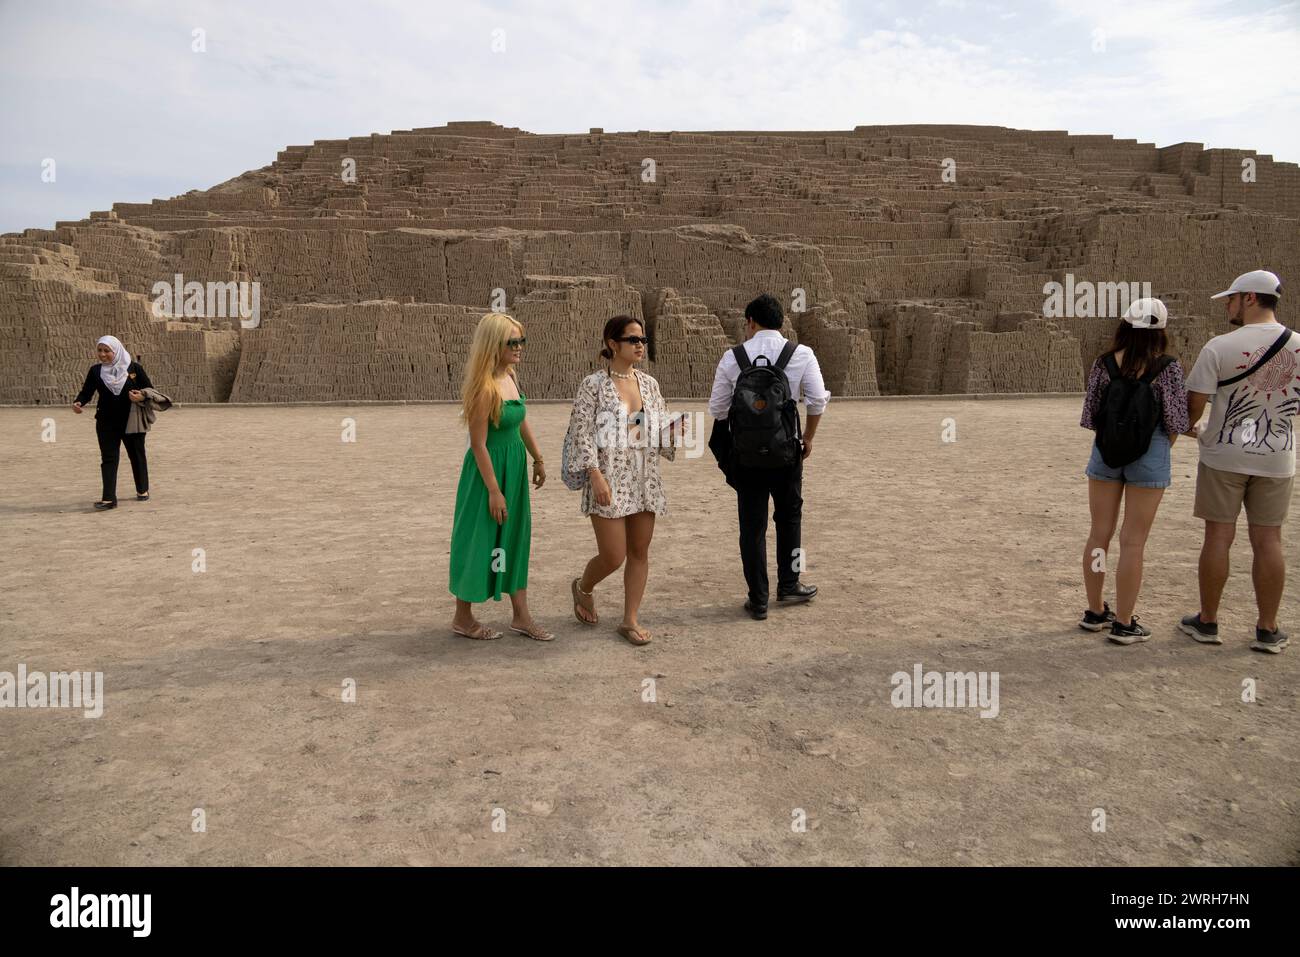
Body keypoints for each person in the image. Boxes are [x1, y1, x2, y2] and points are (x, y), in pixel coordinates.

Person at [1178, 270, 1294, 654]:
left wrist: (1194, 427)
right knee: (1268, 540)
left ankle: (1208, 621)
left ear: (1249, 298)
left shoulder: (1219, 347)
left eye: (1231, 298)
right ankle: (1267, 628)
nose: (1227, 305)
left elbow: (1194, 401)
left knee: (1218, 536)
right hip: (1276, 456)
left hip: (1225, 454)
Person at [561, 316, 683, 646]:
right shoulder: (594, 385)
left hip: (643, 476)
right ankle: (583, 587)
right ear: (613, 344)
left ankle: (629, 620)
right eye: (632, 339)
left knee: (639, 551)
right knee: (613, 555)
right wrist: (594, 475)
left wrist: (670, 432)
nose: (640, 344)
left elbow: (651, 433)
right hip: (608, 477)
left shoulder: (650, 385)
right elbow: (582, 433)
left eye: (643, 339)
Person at [707, 293, 829, 620]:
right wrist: (808, 438)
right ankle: (789, 584)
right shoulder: (801, 354)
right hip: (787, 453)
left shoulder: (733, 357)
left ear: (751, 322)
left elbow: (717, 409)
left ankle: (758, 599)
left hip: (747, 458)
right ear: (781, 322)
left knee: (752, 526)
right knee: (790, 518)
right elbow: (817, 400)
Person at [1078, 298, 1189, 644]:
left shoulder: (1104, 363)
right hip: (1150, 451)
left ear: (1124, 325)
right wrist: (1158, 448)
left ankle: (1096, 610)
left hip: (1106, 451)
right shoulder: (1167, 367)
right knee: (1133, 542)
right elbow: (1177, 421)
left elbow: (1090, 415)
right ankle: (1124, 623)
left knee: (1100, 535)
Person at [448, 313, 552, 641]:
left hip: (514, 471)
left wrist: (537, 458)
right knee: (481, 541)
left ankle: (521, 616)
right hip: (487, 476)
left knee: (514, 539)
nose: (520, 347)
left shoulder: (510, 376)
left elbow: (521, 421)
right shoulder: (485, 388)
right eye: (513, 342)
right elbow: (478, 445)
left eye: (522, 340)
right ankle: (462, 618)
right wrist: (494, 491)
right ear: (495, 344)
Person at [72, 335, 154, 510]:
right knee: (108, 458)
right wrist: (79, 402)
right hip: (106, 422)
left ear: (116, 351)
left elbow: (149, 390)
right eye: (100, 350)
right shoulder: (96, 371)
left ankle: (142, 489)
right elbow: (87, 391)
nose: (102, 354)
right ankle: (109, 498)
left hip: (132, 421)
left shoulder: (134, 368)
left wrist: (141, 395)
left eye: (106, 351)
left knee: (137, 455)